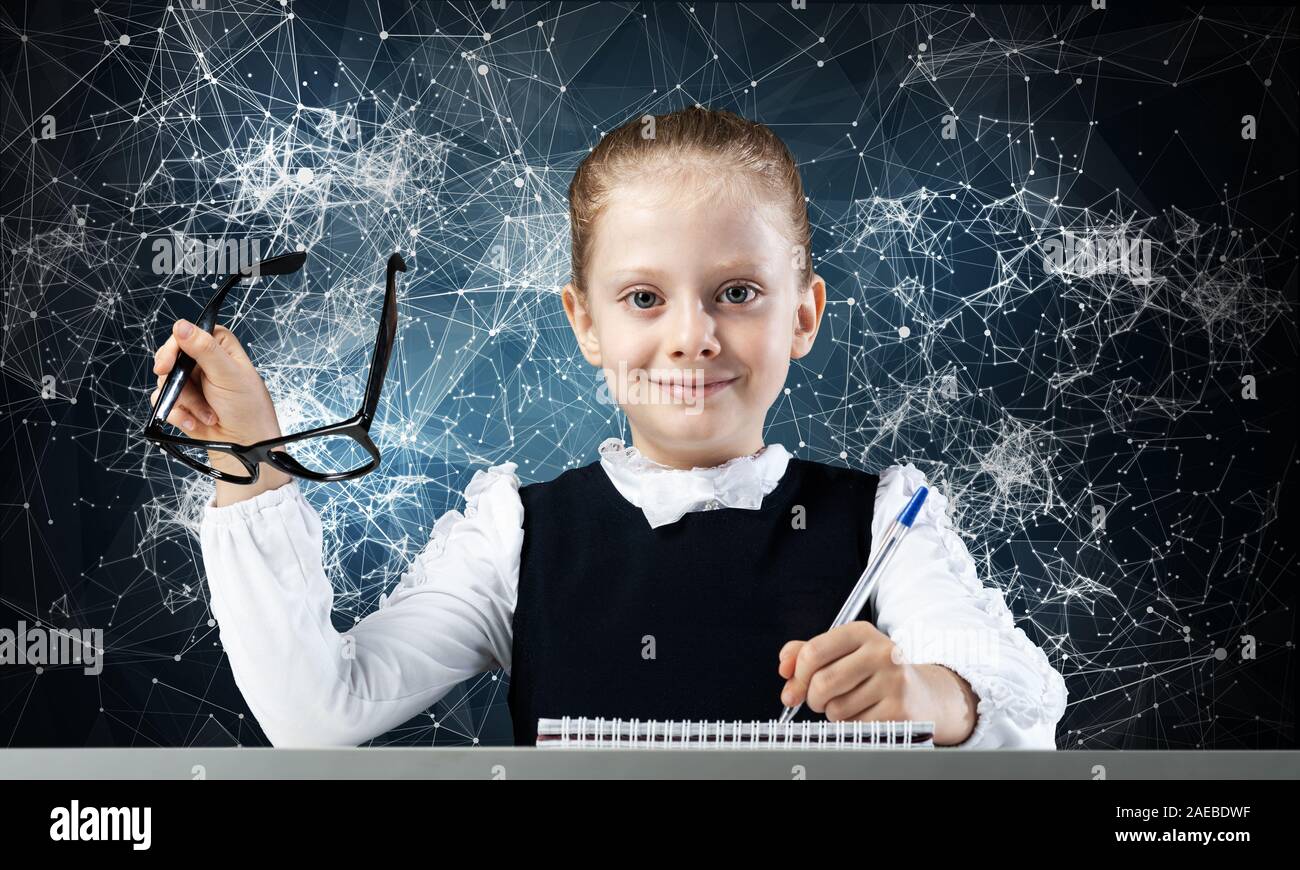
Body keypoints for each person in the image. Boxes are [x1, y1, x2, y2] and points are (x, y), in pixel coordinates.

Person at [150, 106, 1067, 748]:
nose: (692, 337)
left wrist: (926, 694)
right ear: (585, 321)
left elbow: (1019, 703)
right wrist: (247, 462)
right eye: (642, 298)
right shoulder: (514, 536)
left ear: (804, 314)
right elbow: (317, 713)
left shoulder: (887, 523)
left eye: (738, 293)